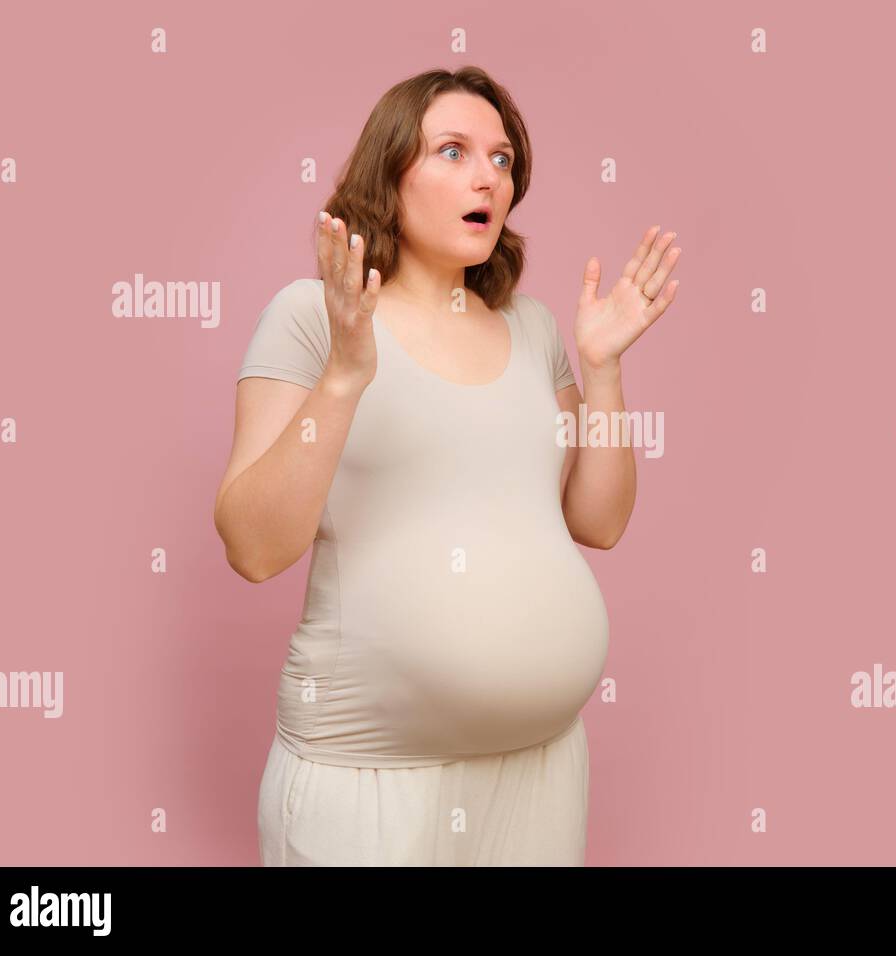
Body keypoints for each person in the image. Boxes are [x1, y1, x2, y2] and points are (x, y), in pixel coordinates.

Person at [212, 66, 681, 866]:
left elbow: (598, 522)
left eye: (502, 160)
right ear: (387, 173)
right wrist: (346, 374)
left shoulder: (531, 328)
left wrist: (601, 369)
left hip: (539, 772)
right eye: (454, 151)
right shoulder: (310, 317)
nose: (487, 178)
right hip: (370, 780)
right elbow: (254, 547)